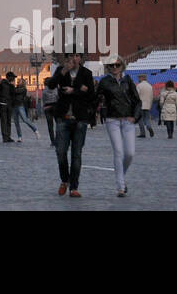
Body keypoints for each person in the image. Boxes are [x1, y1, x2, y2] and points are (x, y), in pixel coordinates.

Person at [52, 52, 95, 198]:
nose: (74, 59)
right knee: (61, 152)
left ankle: (74, 187)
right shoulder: (60, 71)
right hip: (63, 118)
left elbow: (91, 95)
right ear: (66, 58)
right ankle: (65, 180)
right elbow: (51, 85)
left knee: (76, 154)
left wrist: (74, 91)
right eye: (71, 56)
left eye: (77, 56)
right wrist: (63, 71)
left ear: (81, 58)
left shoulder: (86, 73)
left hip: (80, 119)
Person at [96, 57, 141, 197]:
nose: (115, 67)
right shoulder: (104, 82)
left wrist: (135, 117)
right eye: (112, 65)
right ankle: (120, 186)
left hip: (128, 120)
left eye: (117, 64)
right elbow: (96, 98)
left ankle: (121, 176)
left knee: (130, 153)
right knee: (118, 152)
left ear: (122, 65)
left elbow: (137, 101)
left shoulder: (128, 81)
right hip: (112, 120)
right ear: (108, 67)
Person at [12, 75, 38, 140]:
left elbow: (16, 92)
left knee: (25, 120)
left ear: (23, 83)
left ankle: (35, 130)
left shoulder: (24, 89)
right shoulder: (15, 88)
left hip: (20, 105)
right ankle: (19, 137)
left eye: (19, 81)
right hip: (14, 106)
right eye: (18, 81)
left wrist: (12, 86)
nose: (18, 82)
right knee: (16, 122)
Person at [0, 74, 14, 143]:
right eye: (13, 77)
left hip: (7, 104)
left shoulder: (9, 85)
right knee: (5, 121)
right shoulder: (2, 84)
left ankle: (7, 137)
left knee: (7, 121)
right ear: (9, 78)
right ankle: (5, 137)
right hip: (4, 104)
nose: (13, 79)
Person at [41, 75, 58, 144]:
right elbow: (58, 97)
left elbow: (43, 99)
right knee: (58, 124)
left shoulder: (44, 90)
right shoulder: (55, 89)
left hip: (47, 108)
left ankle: (52, 141)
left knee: (50, 125)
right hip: (55, 106)